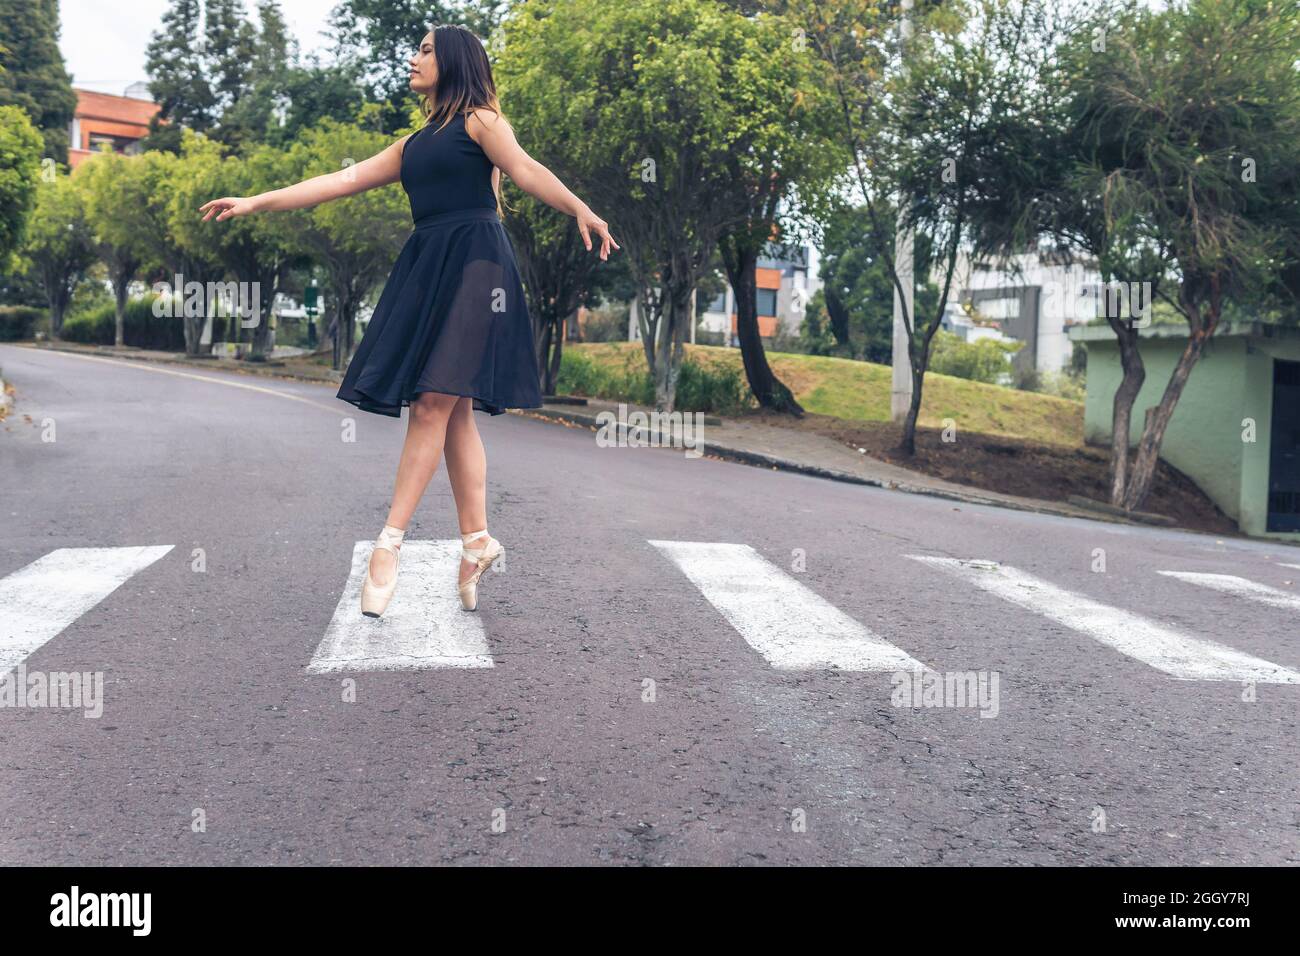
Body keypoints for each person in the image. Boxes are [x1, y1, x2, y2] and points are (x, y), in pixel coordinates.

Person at [200, 24, 617, 616]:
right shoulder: (414, 144)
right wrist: (256, 200)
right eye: (417, 48)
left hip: (478, 266)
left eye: (425, 49)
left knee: (431, 402)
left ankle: (387, 545)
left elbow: (525, 170)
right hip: (430, 266)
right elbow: (338, 182)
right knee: (455, 410)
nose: (414, 58)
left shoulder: (481, 122)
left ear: (452, 60)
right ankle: (477, 543)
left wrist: (581, 208)